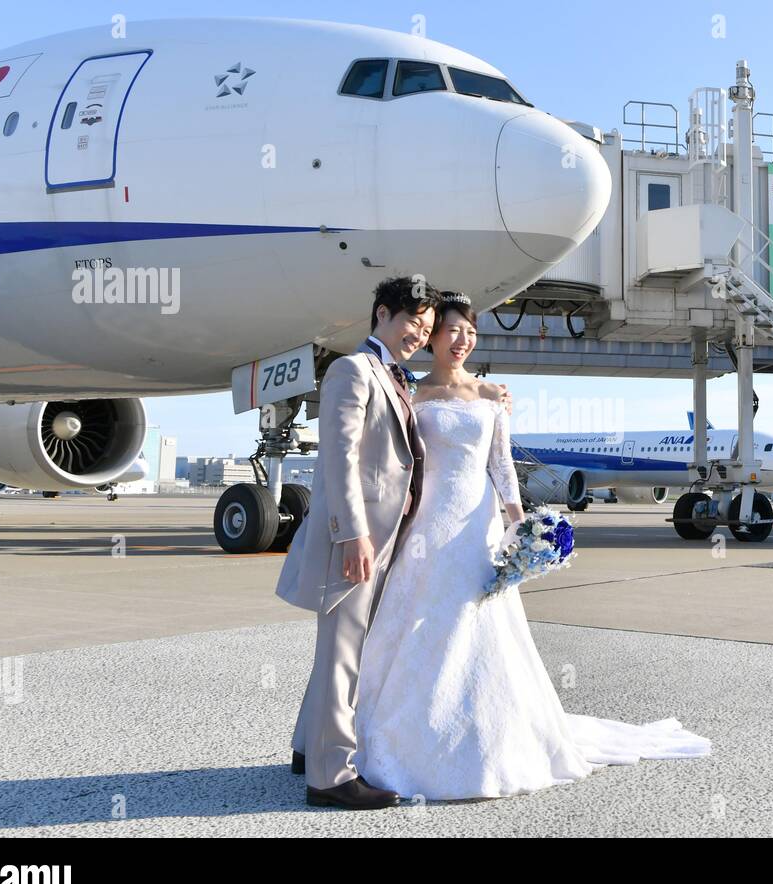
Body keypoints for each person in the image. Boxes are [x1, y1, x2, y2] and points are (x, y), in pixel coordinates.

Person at [348, 292, 712, 800]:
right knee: (417, 620)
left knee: (481, 623)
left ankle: (487, 738)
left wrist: (522, 525)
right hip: (426, 525)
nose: (463, 340)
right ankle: (396, 740)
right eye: (453, 331)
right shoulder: (410, 392)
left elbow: (501, 466)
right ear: (431, 336)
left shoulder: (492, 395)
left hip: (478, 527)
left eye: (470, 333)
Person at [275, 277, 509, 810]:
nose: (418, 333)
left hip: (390, 537)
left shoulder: (393, 375)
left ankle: (307, 748)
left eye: (425, 326)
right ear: (381, 314)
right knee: (342, 651)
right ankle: (331, 778)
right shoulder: (353, 370)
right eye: (412, 322)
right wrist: (353, 533)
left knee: (348, 645)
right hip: (357, 537)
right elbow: (338, 460)